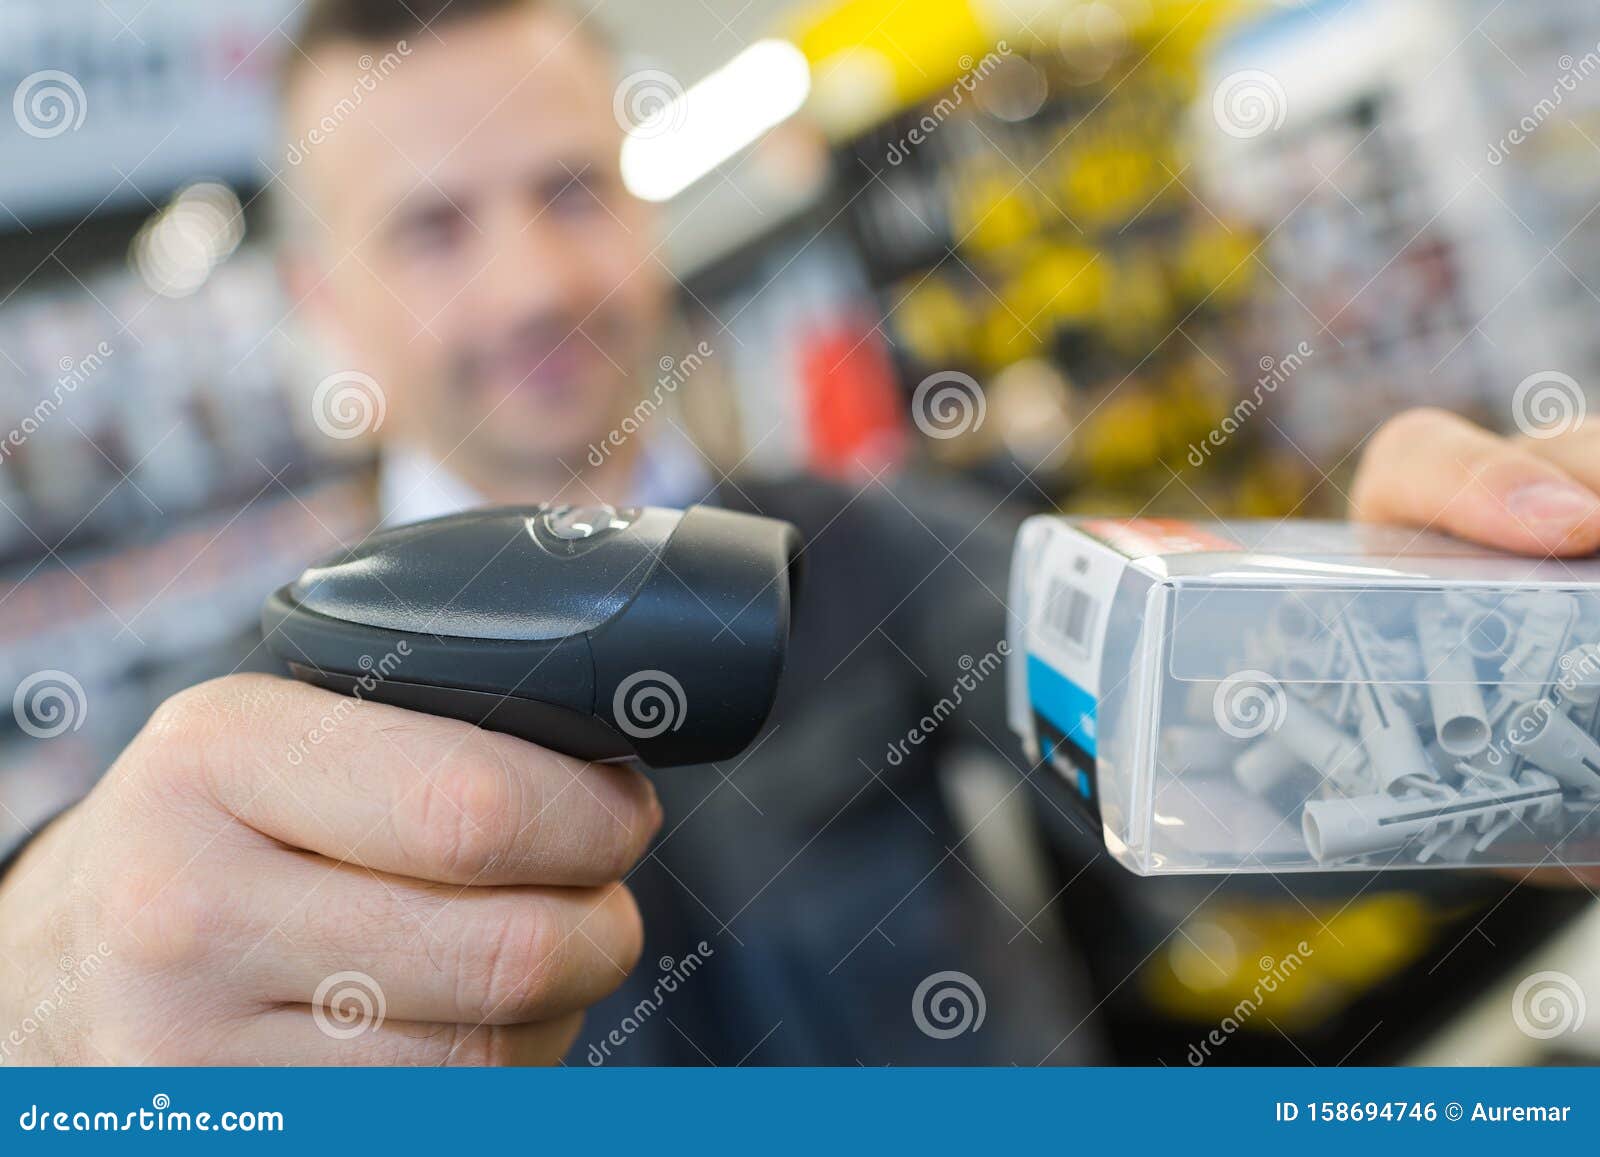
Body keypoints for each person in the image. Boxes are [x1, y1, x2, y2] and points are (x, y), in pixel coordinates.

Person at [0, 0, 1595, 1066]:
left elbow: (1209, 761)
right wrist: (45, 985)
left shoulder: (864, 545)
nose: (534, 285)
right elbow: (92, 922)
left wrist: (1471, 702)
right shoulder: (248, 713)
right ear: (321, 301)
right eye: (434, 227)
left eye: (570, 191)